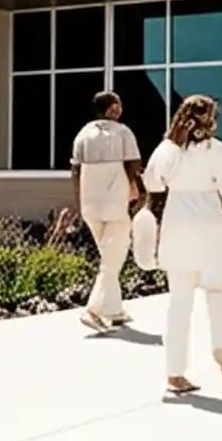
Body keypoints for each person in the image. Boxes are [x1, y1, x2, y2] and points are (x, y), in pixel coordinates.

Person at [144, 95, 222, 395]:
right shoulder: (216, 151)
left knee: (179, 303)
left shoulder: (169, 151)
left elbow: (153, 183)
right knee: (217, 299)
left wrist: (173, 145)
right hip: (210, 229)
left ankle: (175, 373)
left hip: (178, 229)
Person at [70, 90, 143, 333]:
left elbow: (75, 171)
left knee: (108, 255)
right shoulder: (122, 132)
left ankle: (114, 309)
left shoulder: (82, 135)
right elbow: (133, 164)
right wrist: (138, 190)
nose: (120, 110)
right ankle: (93, 310)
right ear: (111, 109)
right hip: (115, 200)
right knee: (115, 256)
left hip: (89, 203)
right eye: (118, 105)